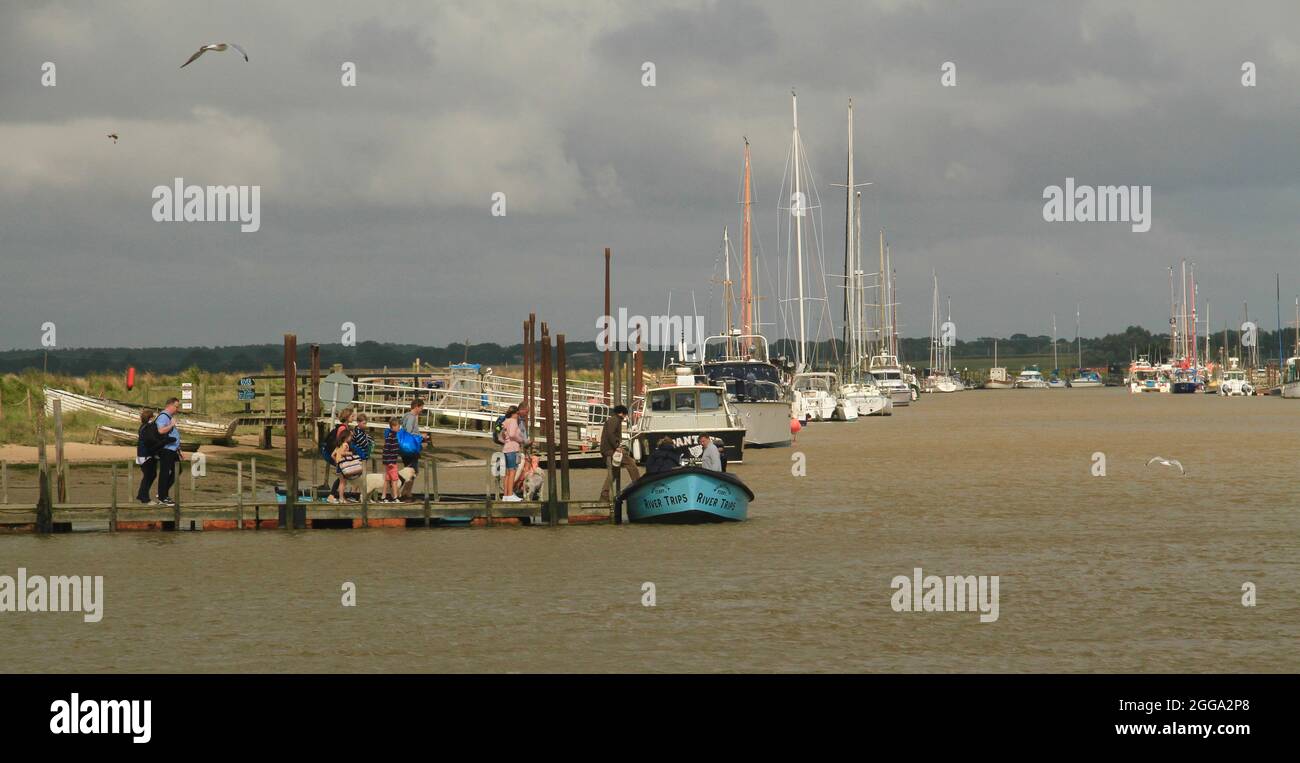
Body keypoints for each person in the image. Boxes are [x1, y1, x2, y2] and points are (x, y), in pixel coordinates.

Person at [599, 405, 640, 501]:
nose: (625, 417)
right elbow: (611, 434)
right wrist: (617, 446)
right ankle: (639, 486)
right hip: (610, 450)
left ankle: (604, 496)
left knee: (613, 472)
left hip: (607, 450)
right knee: (631, 464)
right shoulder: (615, 420)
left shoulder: (612, 420)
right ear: (621, 413)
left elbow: (610, 434)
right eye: (625, 415)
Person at [153, 398, 185, 506]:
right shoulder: (163, 417)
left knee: (178, 470)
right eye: (176, 406)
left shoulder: (169, 417)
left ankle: (162, 493)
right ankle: (162, 496)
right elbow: (160, 430)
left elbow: (172, 434)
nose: (177, 409)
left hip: (172, 449)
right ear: (170, 406)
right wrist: (171, 425)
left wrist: (179, 449)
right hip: (166, 449)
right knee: (165, 473)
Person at [500, 405, 527, 501]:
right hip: (512, 449)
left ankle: (506, 495)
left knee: (507, 473)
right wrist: (521, 440)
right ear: (514, 414)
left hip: (506, 448)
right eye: (518, 414)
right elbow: (512, 435)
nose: (518, 416)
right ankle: (510, 494)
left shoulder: (505, 421)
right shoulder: (513, 421)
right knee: (512, 472)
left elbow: (503, 436)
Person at [399, 399, 425, 499]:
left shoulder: (406, 416)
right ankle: (405, 492)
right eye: (421, 407)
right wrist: (420, 436)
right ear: (416, 407)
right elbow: (409, 431)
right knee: (413, 471)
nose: (422, 410)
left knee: (410, 471)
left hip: (405, 448)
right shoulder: (411, 417)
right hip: (410, 448)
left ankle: (406, 492)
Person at [135, 408, 158, 504]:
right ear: (150, 418)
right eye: (153, 416)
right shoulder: (148, 428)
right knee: (149, 475)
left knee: (149, 475)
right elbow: (150, 441)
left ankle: (141, 495)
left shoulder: (143, 427)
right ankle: (144, 498)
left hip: (142, 455)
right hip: (146, 455)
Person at [330, 428, 355, 503]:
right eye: (350, 436)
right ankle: (341, 498)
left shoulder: (339, 445)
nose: (351, 438)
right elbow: (342, 453)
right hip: (342, 466)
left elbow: (332, 455)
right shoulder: (345, 445)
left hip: (339, 466)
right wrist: (350, 453)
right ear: (346, 437)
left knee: (342, 482)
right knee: (343, 483)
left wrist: (337, 462)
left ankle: (341, 497)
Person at [381, 417, 401, 503]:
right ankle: (395, 497)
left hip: (390, 461)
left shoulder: (392, 435)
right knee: (395, 479)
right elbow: (386, 449)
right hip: (391, 462)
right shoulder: (391, 436)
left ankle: (383, 496)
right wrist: (389, 461)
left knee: (387, 479)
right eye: (397, 426)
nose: (399, 427)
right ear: (392, 426)